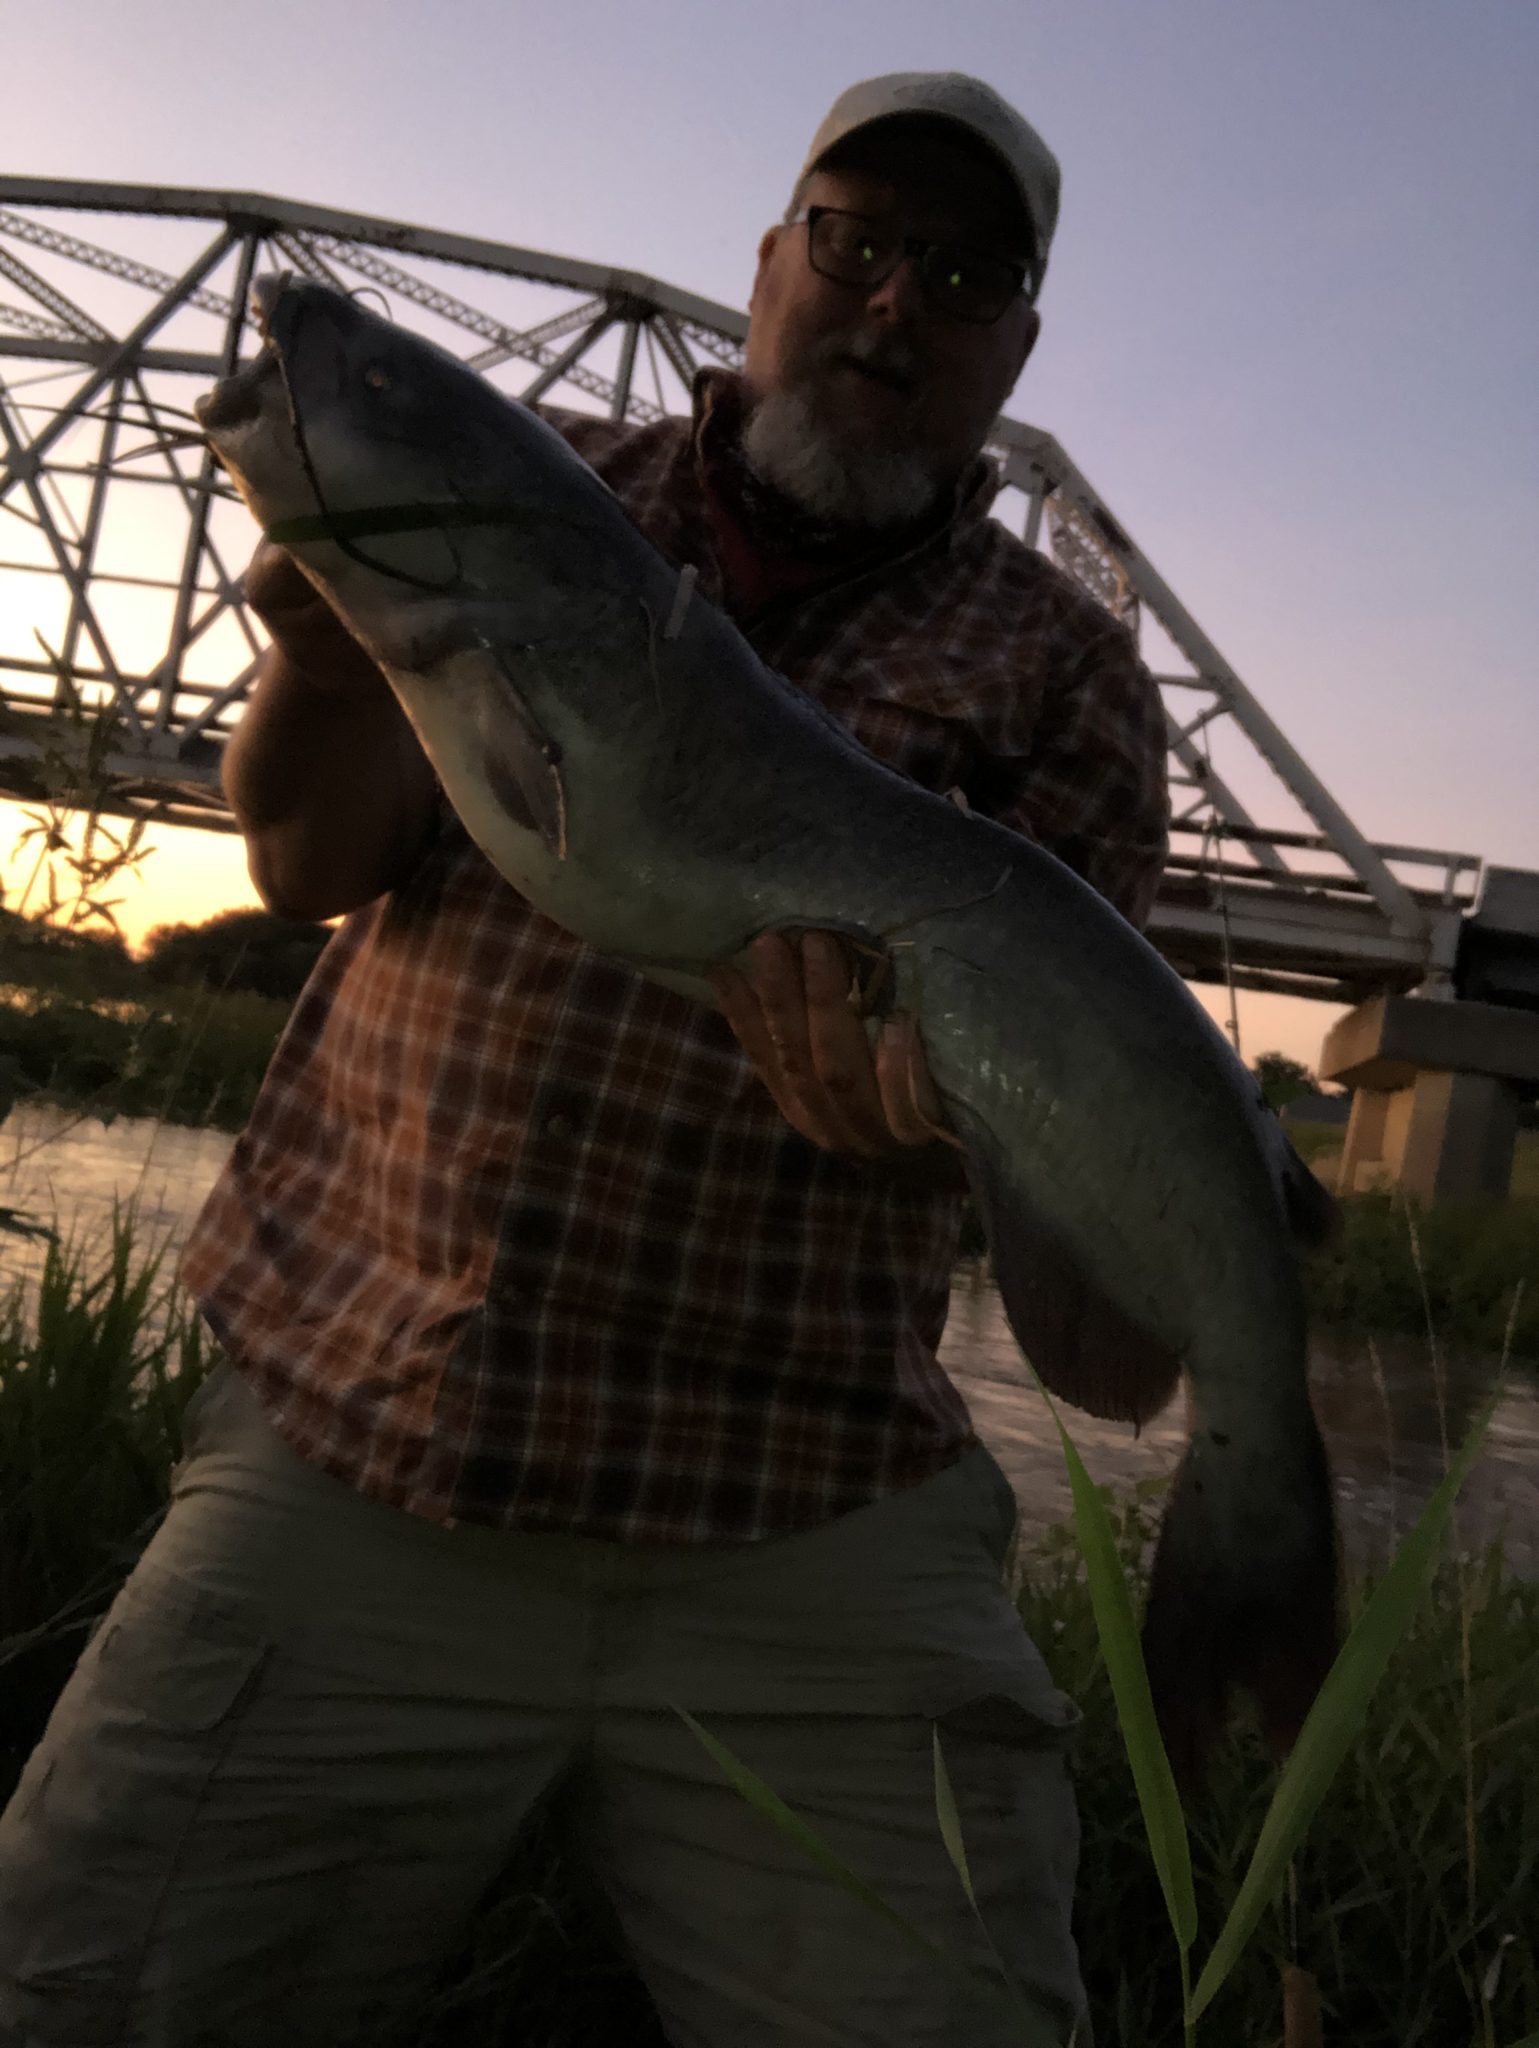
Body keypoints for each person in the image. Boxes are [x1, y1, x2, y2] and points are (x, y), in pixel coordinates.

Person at [0, 72, 1168, 2048]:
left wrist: (925, 1120)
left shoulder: (1064, 671)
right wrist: (326, 637)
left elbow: (1050, 1121)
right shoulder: (527, 488)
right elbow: (303, 860)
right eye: (853, 243)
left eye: (958, 275)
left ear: (1016, 348)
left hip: (804, 1505)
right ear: (767, 266)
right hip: (358, 1430)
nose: (892, 302)